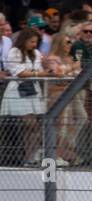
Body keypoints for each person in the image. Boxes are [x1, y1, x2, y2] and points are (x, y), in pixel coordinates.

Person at [2, 28, 48, 165]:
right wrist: (38, 74)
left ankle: (31, 155)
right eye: (31, 41)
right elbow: (19, 72)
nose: (34, 44)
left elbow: (39, 70)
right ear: (24, 40)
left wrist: (45, 70)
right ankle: (26, 156)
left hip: (33, 91)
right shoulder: (14, 52)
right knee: (29, 124)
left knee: (33, 126)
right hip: (18, 92)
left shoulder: (36, 53)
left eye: (36, 42)